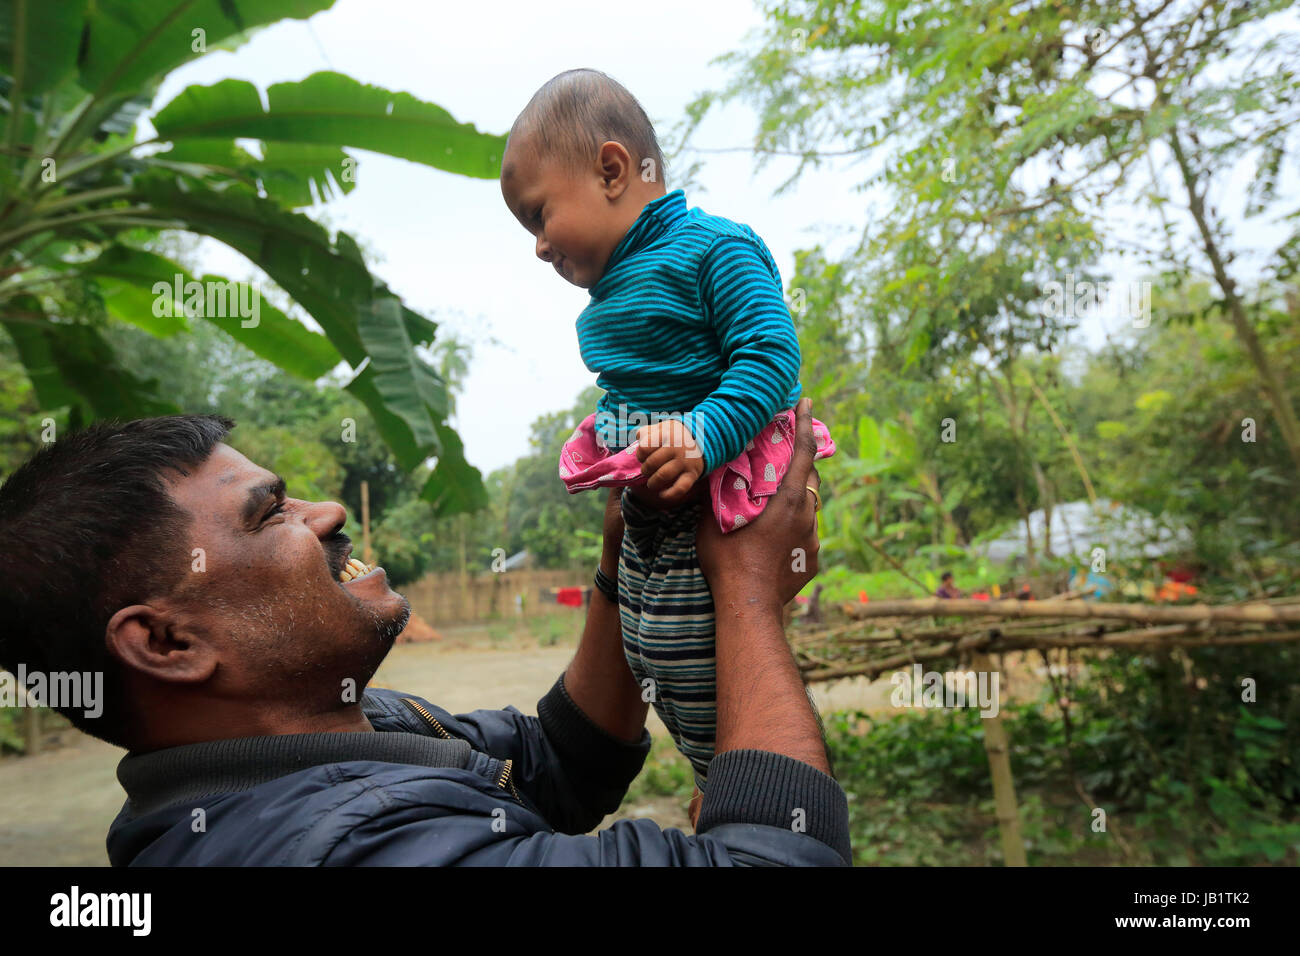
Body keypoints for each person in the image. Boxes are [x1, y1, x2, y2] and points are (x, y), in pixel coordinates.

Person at [0, 401, 849, 865]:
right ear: (166, 643)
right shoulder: (350, 849)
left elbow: (557, 763)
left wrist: (622, 557)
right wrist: (745, 593)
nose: (326, 513)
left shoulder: (341, 733)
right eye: (270, 516)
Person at [499, 69, 835, 788]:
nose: (536, 246)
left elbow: (771, 355)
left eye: (537, 216)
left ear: (612, 170)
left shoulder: (716, 249)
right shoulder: (613, 293)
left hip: (722, 491)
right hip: (657, 509)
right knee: (653, 649)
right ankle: (719, 785)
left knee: (703, 661)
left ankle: (747, 795)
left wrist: (703, 433)